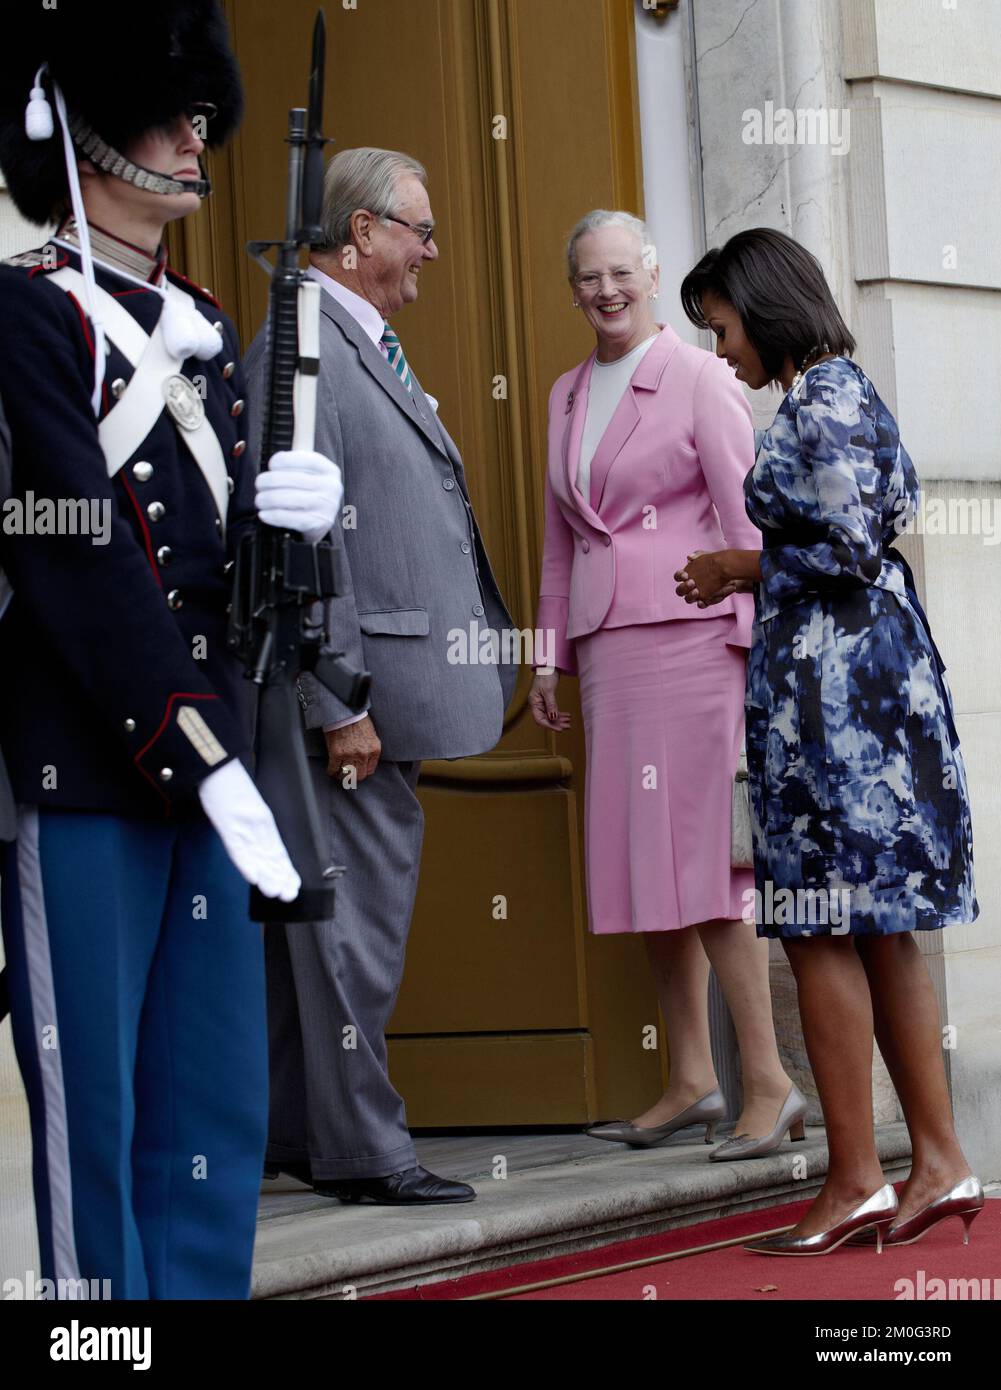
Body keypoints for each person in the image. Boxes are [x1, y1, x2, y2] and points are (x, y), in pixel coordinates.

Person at [0, 1, 343, 1297]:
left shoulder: (196, 314)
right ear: (90, 135)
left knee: (210, 1114)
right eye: (169, 114)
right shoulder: (28, 314)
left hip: (217, 765)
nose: (198, 138)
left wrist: (302, 520)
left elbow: (222, 562)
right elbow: (72, 549)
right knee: (98, 1129)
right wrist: (197, 749)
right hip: (97, 763)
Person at [676, 226, 983, 1254]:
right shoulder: (835, 394)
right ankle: (933, 1159)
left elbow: (846, 548)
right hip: (854, 690)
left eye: (720, 328)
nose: (720, 352)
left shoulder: (821, 399)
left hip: (838, 704)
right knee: (879, 922)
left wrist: (735, 564)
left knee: (817, 921)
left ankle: (857, 1173)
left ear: (762, 309)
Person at [245, 147, 517, 1205]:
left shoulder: (350, 338)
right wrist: (336, 700)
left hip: (382, 692)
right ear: (359, 234)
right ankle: (363, 1147)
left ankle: (301, 1133)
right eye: (418, 228)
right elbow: (298, 540)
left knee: (324, 935)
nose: (432, 251)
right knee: (351, 935)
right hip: (353, 701)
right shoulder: (304, 342)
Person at [528, 210, 803, 1158]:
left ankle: (767, 1081)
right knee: (647, 865)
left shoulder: (699, 377)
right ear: (572, 288)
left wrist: (753, 651)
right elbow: (560, 541)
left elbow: (748, 525)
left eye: (619, 272)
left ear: (649, 274)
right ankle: (689, 1078)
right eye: (586, 277)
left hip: (694, 648)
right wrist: (546, 653)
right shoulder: (564, 393)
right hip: (610, 654)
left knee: (706, 866)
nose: (604, 291)